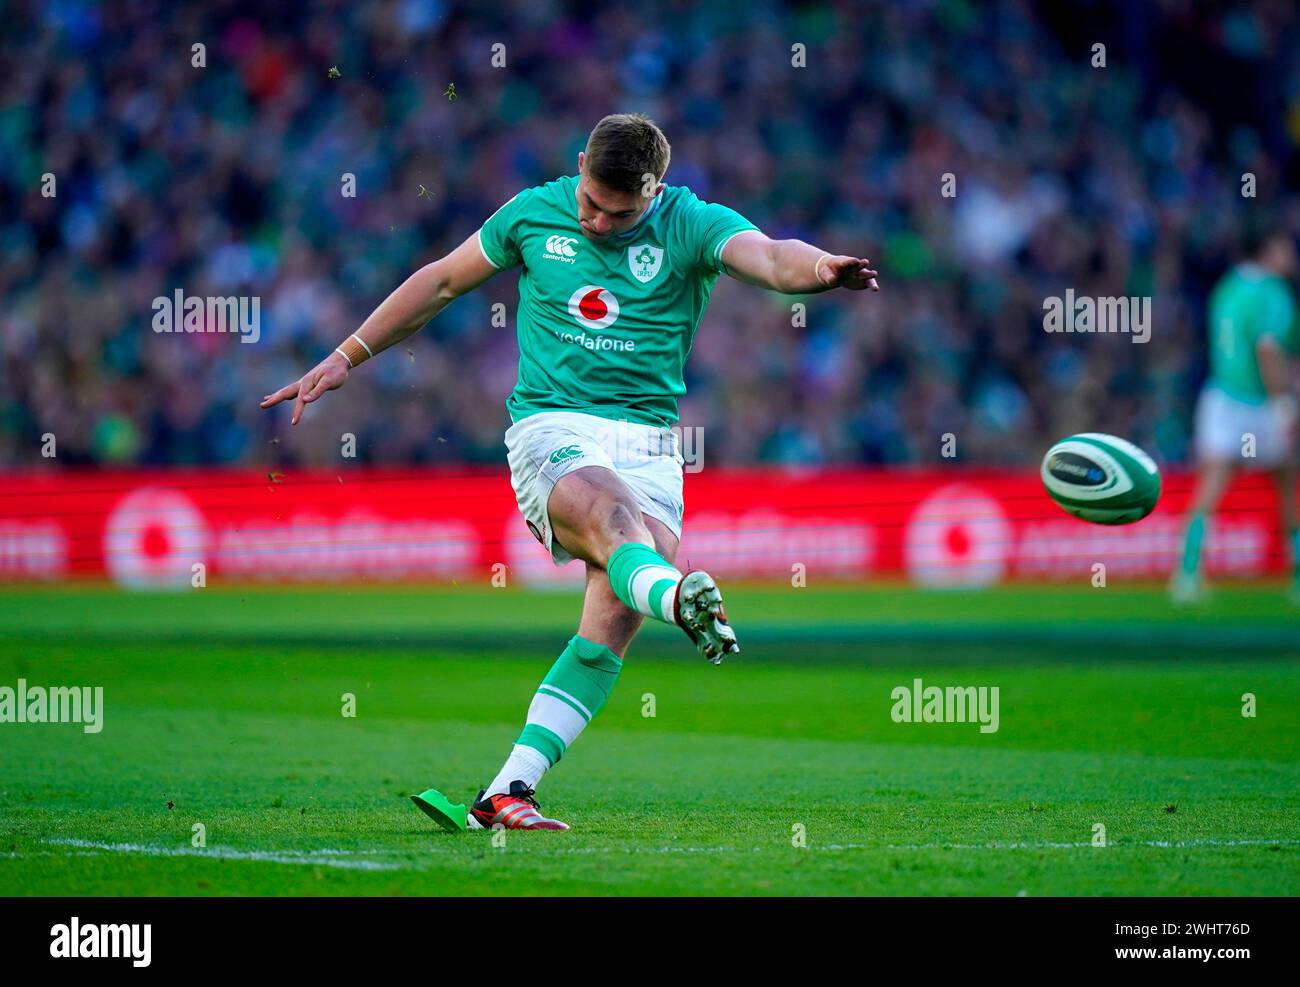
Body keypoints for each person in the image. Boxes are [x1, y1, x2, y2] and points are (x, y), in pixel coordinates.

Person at [261, 113, 880, 830]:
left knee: (613, 615)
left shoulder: (693, 223)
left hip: (651, 448)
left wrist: (823, 269)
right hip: (554, 428)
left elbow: (772, 257)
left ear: (654, 190)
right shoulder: (532, 212)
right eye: (588, 201)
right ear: (579, 162)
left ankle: (505, 791)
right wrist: (347, 354)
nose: (594, 221)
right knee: (619, 530)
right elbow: (439, 282)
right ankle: (680, 601)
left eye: (617, 213)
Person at [1172, 226, 1299, 604]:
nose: (1291, 254)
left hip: (1222, 397)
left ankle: (1187, 574)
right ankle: (1297, 577)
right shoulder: (1274, 294)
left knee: (1210, 484)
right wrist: (1284, 405)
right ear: (1267, 249)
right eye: (1284, 246)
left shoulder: (1226, 288)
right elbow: (1268, 350)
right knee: (1288, 486)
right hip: (1260, 401)